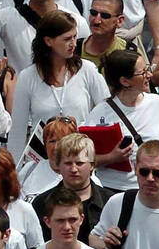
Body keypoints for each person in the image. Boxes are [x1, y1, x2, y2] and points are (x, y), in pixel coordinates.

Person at [7, 10, 107, 159]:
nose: (73, 44)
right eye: (67, 39)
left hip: (80, 160)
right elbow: (17, 131)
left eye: (74, 37)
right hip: (41, 162)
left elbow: (107, 112)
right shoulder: (27, 77)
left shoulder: (87, 69)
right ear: (48, 41)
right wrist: (13, 174)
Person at [80, 50, 159, 193]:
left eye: (147, 69)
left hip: (150, 188)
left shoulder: (156, 102)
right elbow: (83, 159)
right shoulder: (100, 113)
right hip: (111, 189)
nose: (149, 75)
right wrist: (110, 157)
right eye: (142, 72)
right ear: (124, 81)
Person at [80, 0, 127, 69]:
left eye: (105, 15)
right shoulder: (73, 50)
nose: (97, 21)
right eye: (93, 13)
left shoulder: (129, 53)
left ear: (119, 21)